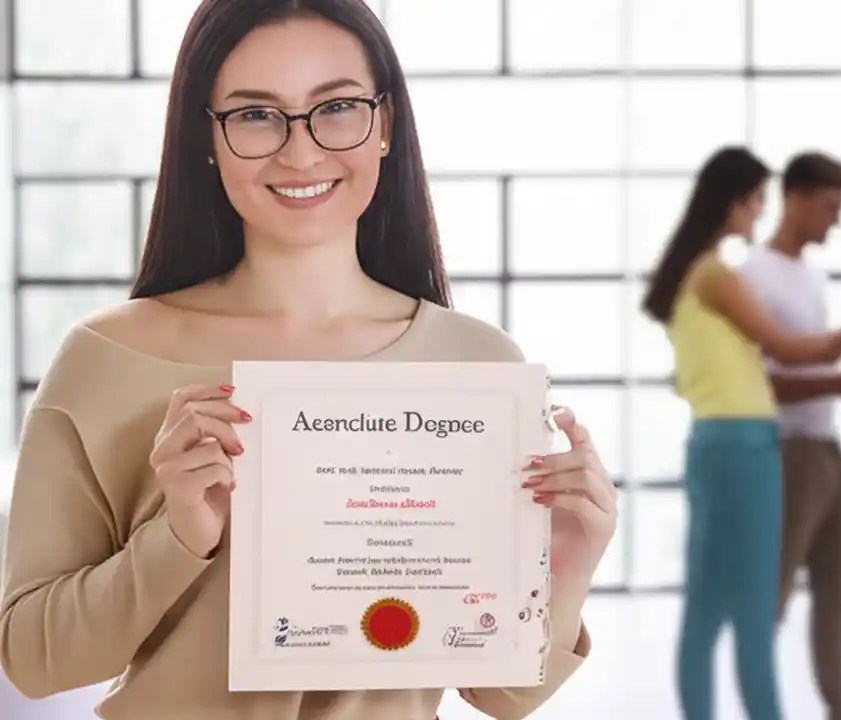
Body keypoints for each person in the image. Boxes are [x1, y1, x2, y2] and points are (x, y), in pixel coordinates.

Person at [0, 2, 612, 718]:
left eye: (338, 108)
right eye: (256, 116)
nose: (301, 153)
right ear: (208, 137)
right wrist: (176, 540)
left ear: (384, 125)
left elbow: (503, 693)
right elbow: (34, 660)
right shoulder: (110, 358)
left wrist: (570, 559)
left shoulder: (477, 365)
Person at [641, 146, 841, 720]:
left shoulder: (693, 276)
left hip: (718, 443)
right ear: (732, 202)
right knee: (754, 613)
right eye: (755, 201)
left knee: (706, 610)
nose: (758, 212)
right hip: (745, 447)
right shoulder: (718, 275)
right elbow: (789, 350)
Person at [738, 151, 841, 720]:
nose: (836, 220)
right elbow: (759, 383)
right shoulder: (752, 275)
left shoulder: (810, 275)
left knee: (838, 596)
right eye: (830, 206)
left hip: (827, 451)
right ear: (796, 198)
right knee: (772, 600)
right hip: (786, 454)